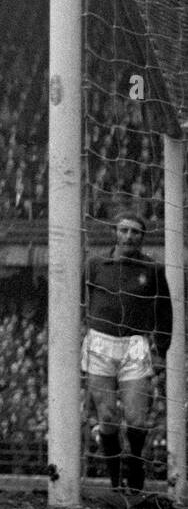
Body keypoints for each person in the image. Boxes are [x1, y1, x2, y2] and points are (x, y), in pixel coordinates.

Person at [83, 211, 172, 492]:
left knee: (136, 418)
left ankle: (135, 467)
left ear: (142, 237)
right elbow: (78, 300)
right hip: (100, 342)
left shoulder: (153, 269)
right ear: (115, 233)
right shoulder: (96, 264)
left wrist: (162, 349)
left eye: (135, 232)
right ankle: (114, 480)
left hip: (135, 344)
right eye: (124, 230)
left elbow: (164, 311)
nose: (129, 236)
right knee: (107, 416)